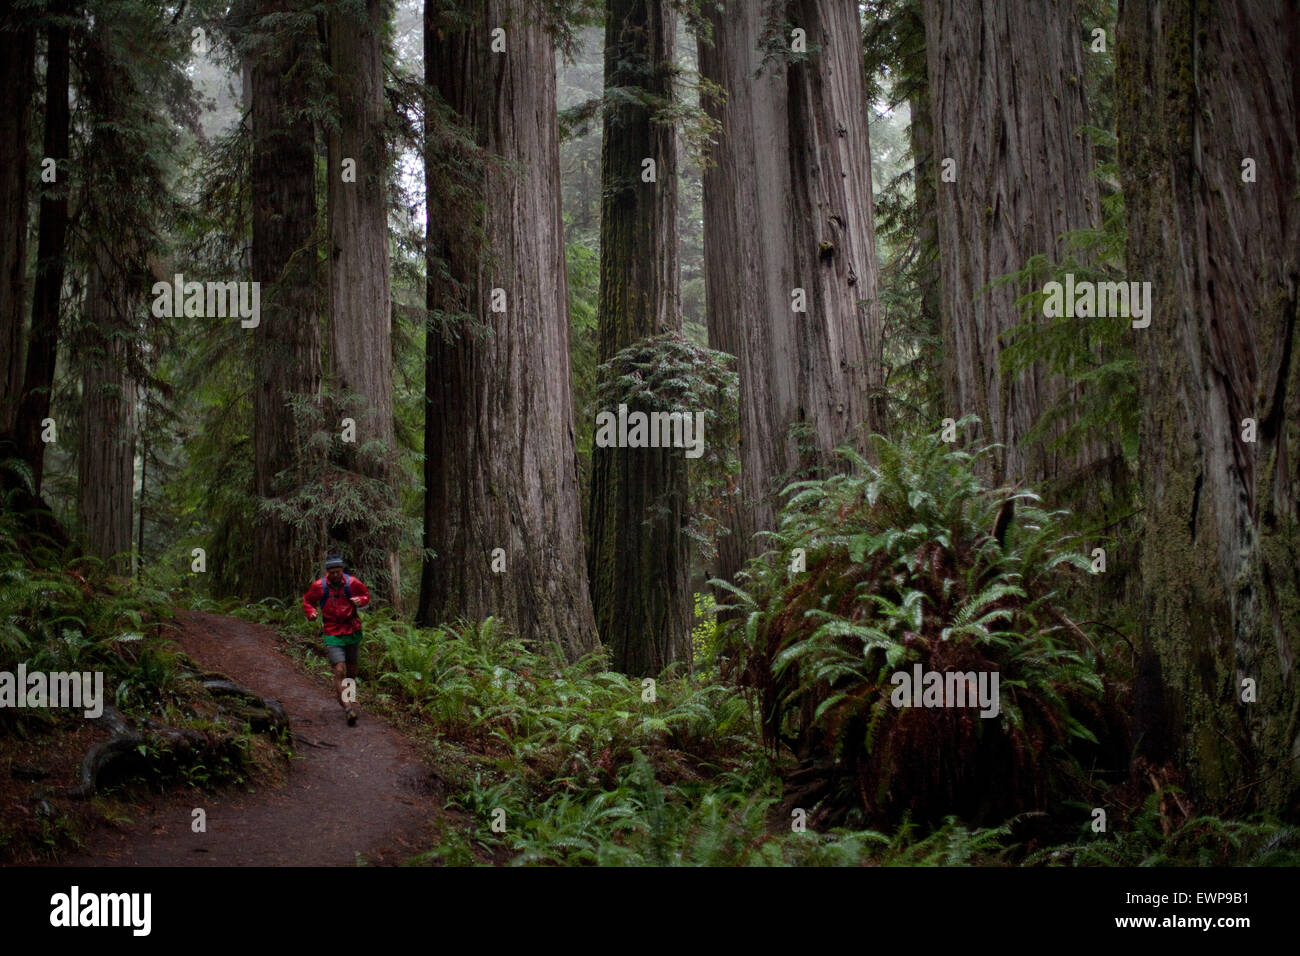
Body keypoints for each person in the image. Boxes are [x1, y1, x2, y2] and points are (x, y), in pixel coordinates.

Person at [302, 555, 370, 725]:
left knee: (352, 672)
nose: (335, 575)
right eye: (331, 572)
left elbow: (366, 596)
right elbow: (308, 601)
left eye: (338, 572)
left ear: (342, 571)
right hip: (332, 632)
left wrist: (360, 601)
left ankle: (348, 698)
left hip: (352, 630)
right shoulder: (319, 586)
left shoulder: (352, 583)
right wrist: (311, 613)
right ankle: (348, 709)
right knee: (340, 670)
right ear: (327, 573)